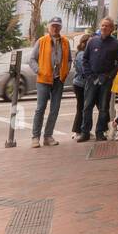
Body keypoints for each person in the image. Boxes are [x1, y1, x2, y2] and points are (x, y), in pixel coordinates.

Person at [29, 16, 72, 147]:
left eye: (57, 25)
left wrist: (65, 72)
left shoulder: (65, 42)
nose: (55, 28)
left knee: (55, 109)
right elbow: (32, 59)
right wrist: (39, 71)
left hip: (58, 80)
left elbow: (69, 59)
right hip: (43, 80)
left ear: (61, 27)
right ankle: (35, 137)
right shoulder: (41, 41)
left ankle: (48, 136)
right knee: (40, 108)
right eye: (53, 25)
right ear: (49, 27)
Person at [78, 17, 118, 142]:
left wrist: (109, 76)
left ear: (112, 29)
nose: (104, 28)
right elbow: (85, 60)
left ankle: (99, 132)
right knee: (87, 106)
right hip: (91, 79)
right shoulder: (92, 42)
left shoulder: (116, 44)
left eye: (107, 26)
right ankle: (85, 132)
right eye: (102, 25)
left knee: (103, 108)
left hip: (105, 80)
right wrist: (89, 75)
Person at [69, 34, 89, 138]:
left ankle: (81, 130)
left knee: (83, 107)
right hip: (81, 84)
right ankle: (78, 131)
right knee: (81, 107)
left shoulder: (82, 53)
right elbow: (83, 70)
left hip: (80, 83)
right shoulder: (82, 54)